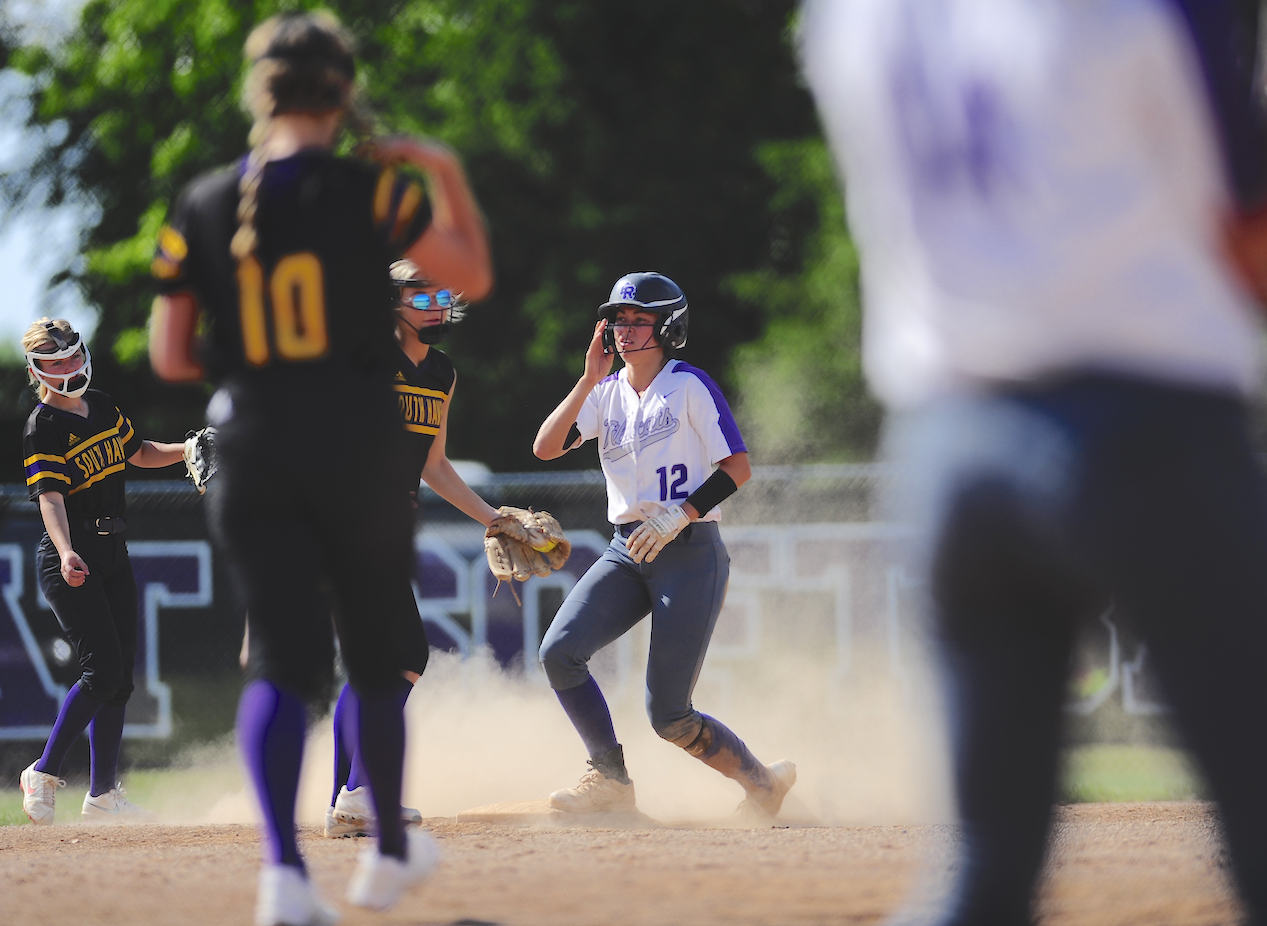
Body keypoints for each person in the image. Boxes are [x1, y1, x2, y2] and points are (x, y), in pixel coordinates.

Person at [805, 0, 1267, 923]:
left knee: (984, 867)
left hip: (947, 450)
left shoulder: (851, 15)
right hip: (1148, 428)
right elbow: (1245, 221)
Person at [148, 11, 492, 926]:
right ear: (343, 94)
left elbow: (174, 359)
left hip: (251, 448)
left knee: (280, 671)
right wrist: (441, 170)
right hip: (351, 445)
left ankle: (283, 881)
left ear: (258, 93)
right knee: (379, 664)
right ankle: (384, 856)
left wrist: (256, 369)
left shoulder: (202, 201)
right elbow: (471, 275)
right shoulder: (371, 195)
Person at [532, 271, 796, 817]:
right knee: (559, 652)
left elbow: (738, 467)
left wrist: (683, 513)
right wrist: (586, 379)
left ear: (668, 326)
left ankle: (763, 784)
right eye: (618, 320)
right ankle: (609, 778)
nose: (624, 330)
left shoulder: (688, 384)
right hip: (627, 549)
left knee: (669, 715)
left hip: (690, 551)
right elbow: (547, 447)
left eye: (639, 320)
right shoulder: (604, 394)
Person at [325, 258, 501, 839]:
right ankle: (360, 792)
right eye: (419, 294)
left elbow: (435, 465)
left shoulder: (442, 372)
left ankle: (345, 802)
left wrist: (496, 519)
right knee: (407, 655)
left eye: (439, 293)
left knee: (372, 666)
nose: (435, 302)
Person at [19, 317, 187, 825]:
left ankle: (103, 796)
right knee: (102, 671)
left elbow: (138, 452)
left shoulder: (106, 404)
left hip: (113, 552)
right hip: (70, 556)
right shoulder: (42, 426)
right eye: (56, 361)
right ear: (37, 369)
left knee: (120, 681)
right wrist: (67, 550)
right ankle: (42, 773)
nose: (68, 366)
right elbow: (49, 498)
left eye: (73, 355)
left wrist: (187, 450)